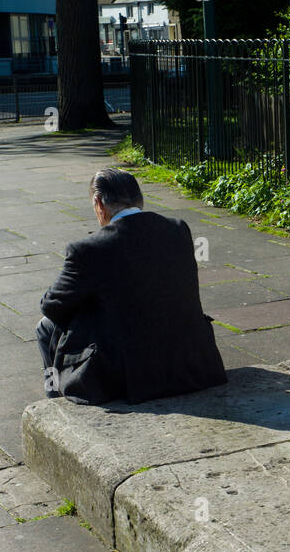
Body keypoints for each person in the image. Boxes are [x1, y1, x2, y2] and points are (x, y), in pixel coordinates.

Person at [36, 168, 227, 405]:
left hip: (131, 375)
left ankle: (53, 400)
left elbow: (53, 307)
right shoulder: (178, 229)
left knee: (45, 328)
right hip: (194, 364)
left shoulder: (88, 249)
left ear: (98, 203)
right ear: (140, 198)